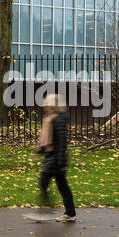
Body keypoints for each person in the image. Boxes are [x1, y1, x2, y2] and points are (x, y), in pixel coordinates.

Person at [34, 93, 76, 222]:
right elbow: (48, 138)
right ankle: (70, 213)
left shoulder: (59, 119)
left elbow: (62, 142)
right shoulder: (50, 117)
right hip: (51, 156)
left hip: (55, 158)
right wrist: (40, 151)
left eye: (48, 102)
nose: (45, 104)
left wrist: (61, 162)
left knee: (43, 183)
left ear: (54, 105)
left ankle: (46, 211)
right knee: (63, 187)